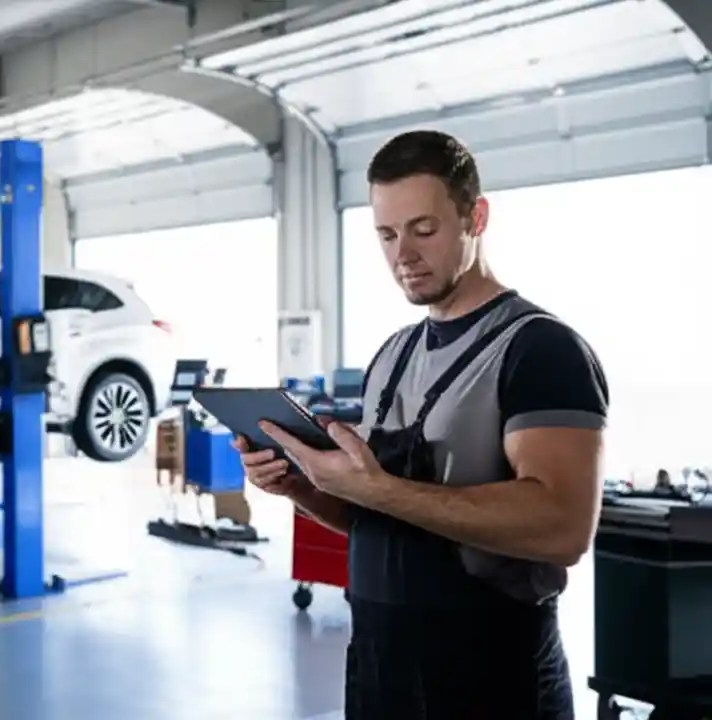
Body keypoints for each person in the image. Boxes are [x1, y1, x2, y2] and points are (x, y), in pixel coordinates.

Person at [237, 129, 609, 719]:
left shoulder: (540, 350)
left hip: (493, 675)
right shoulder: (392, 356)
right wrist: (302, 485)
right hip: (380, 668)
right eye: (387, 235)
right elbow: (373, 518)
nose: (402, 255)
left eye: (423, 229)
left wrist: (378, 488)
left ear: (475, 217)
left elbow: (563, 527)